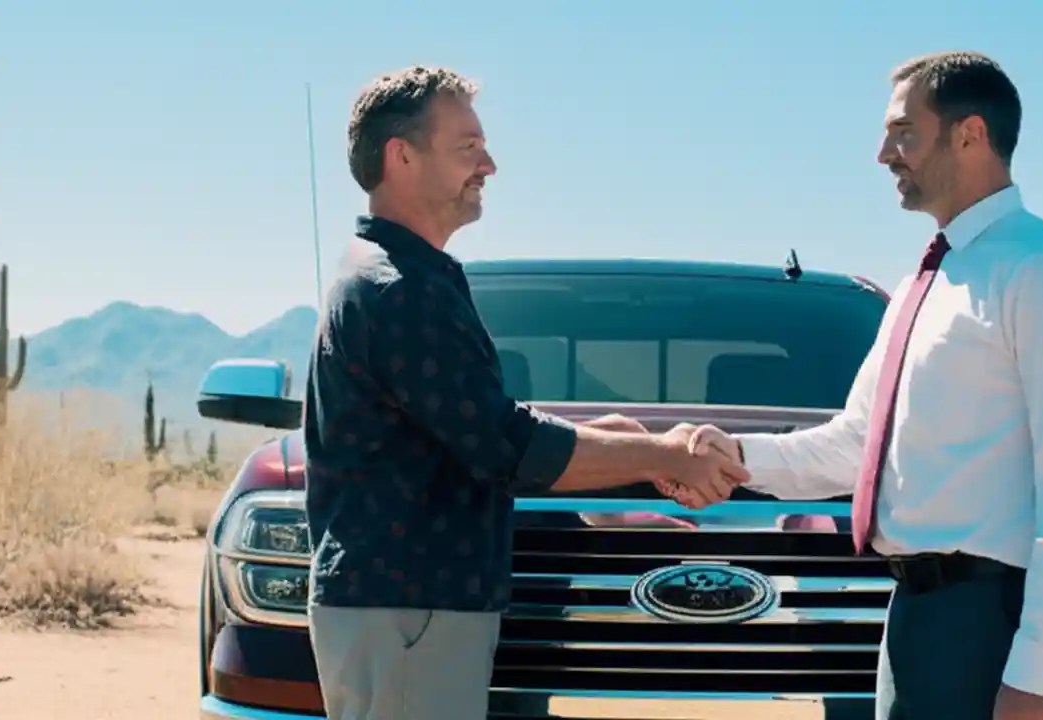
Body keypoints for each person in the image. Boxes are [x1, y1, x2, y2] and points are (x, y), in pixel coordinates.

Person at [301, 65, 748, 720]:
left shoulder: (394, 278)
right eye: (467, 147)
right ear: (400, 156)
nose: (490, 165)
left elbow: (469, 421)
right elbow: (504, 445)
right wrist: (664, 457)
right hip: (408, 609)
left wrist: (607, 438)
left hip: (409, 608)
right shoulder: (401, 290)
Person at [684, 51, 1043, 720]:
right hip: (917, 619)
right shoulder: (926, 284)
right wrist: (735, 458)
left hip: (995, 627)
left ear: (969, 134)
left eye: (903, 132)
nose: (884, 153)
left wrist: (1041, 670)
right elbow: (857, 445)